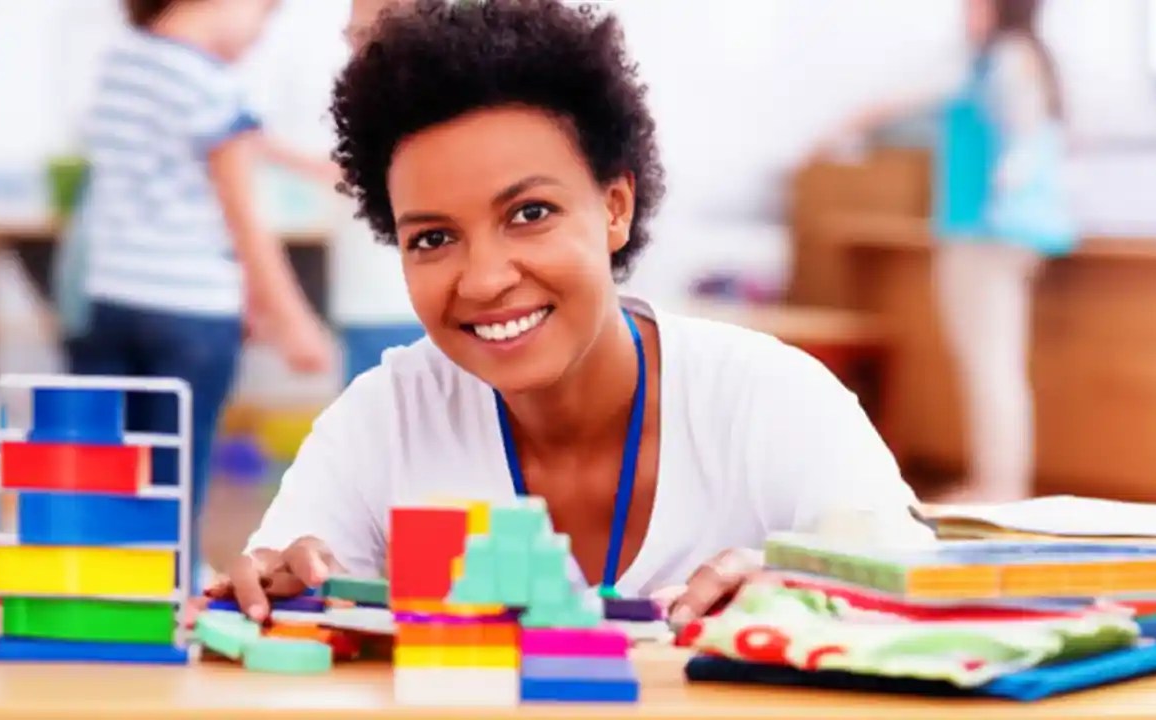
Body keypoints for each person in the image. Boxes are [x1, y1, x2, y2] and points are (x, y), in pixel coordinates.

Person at [208, 0, 931, 629]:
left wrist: (819, 592)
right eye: (432, 238)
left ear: (615, 208)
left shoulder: (773, 402)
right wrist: (270, 599)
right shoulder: (384, 420)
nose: (486, 280)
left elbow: (935, 602)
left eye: (529, 213)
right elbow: (282, 587)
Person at [61, 0, 338, 590]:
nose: (258, 37)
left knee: (107, 465)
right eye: (263, 16)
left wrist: (302, 162)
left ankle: (101, 588)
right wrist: (293, 321)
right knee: (174, 472)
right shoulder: (213, 85)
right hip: (189, 311)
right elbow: (245, 218)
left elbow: (224, 142)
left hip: (108, 300)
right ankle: (169, 588)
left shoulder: (123, 64)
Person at [822, 0, 1075, 503]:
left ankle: (997, 486)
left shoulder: (1006, 59)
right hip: (990, 233)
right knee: (991, 360)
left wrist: (1012, 176)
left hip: (989, 234)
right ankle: (996, 481)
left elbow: (1024, 134)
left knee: (990, 362)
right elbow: (920, 113)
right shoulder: (993, 63)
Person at [332, 0, 425, 385]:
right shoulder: (368, 102)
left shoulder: (414, 103)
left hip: (396, 310)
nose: (352, 45)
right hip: (372, 309)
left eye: (362, 34)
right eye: (351, 34)